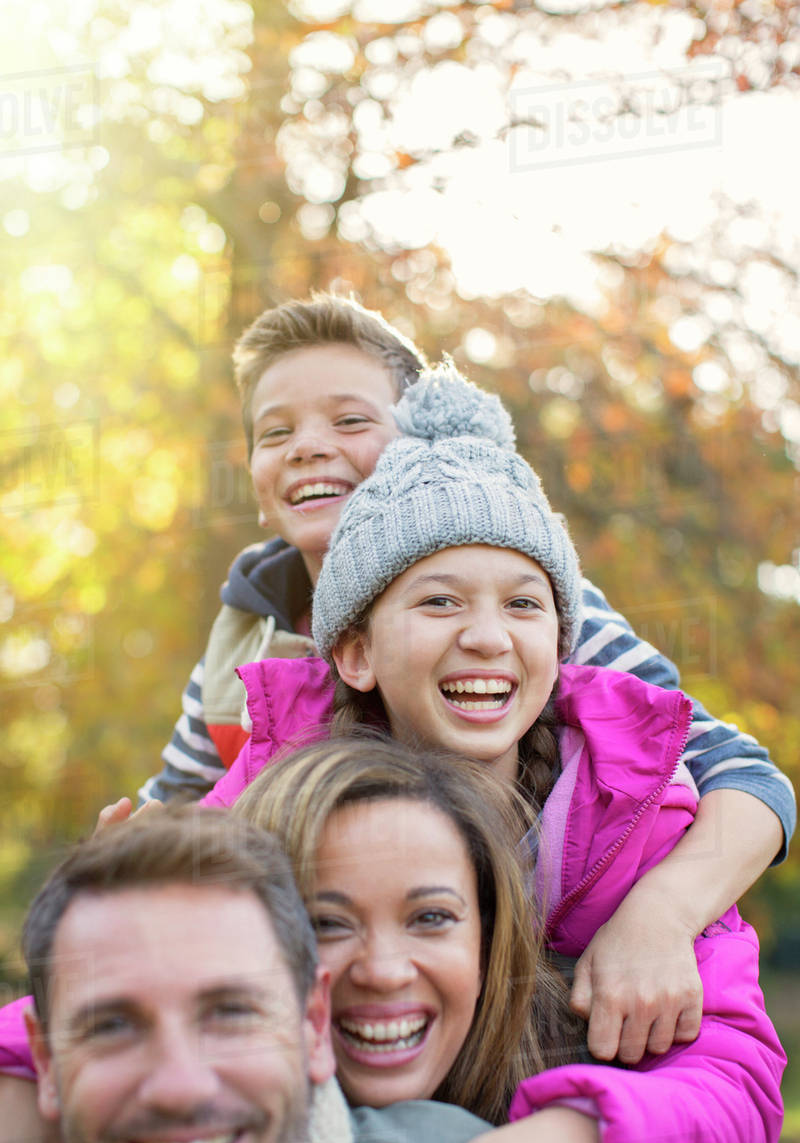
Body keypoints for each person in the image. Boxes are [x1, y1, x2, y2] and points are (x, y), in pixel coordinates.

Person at [132, 293, 793, 1071]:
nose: (309, 446)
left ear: (420, 437)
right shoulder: (239, 648)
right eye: (276, 431)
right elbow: (175, 820)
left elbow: (745, 778)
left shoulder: (525, 622)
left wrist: (659, 915)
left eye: (349, 421)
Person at [14, 807, 492, 1143]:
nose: (182, 1088)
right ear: (45, 1060)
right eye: (112, 1026)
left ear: (314, 1024)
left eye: (231, 1013)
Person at [233, 736, 585, 1124]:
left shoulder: (603, 1080)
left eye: (431, 918)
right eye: (326, 925)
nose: (385, 973)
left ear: (488, 941)